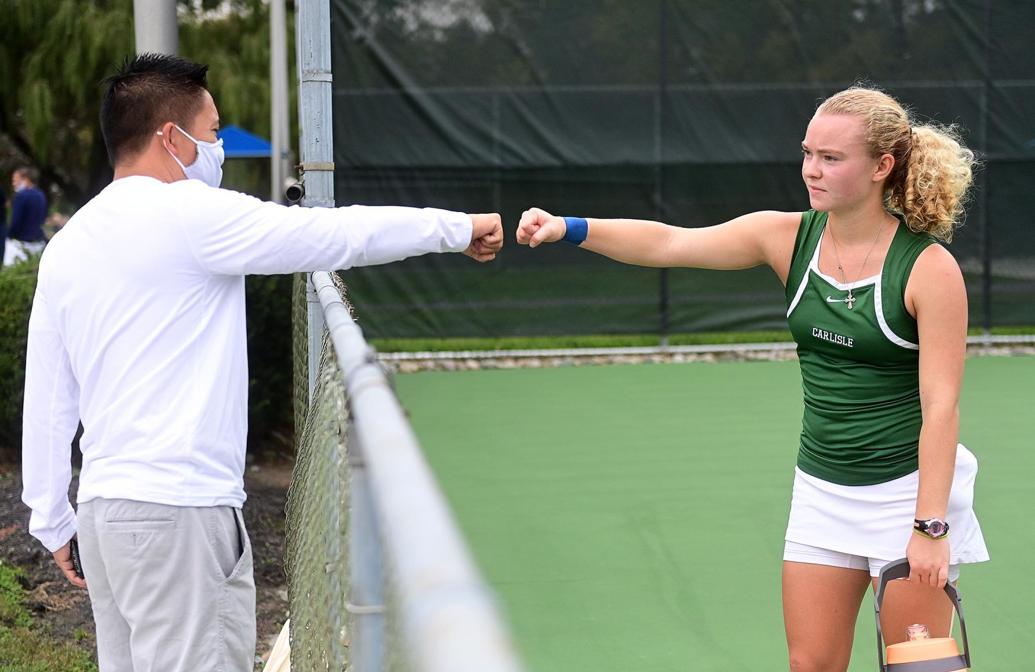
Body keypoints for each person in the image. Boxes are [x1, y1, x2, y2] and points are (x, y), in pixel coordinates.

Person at [21, 53, 503, 672]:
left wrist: (52, 516)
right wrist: (460, 228)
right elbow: (337, 236)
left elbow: (49, 391)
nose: (217, 145)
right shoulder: (193, 216)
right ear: (172, 138)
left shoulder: (69, 244)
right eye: (213, 131)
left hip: (106, 513)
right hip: (181, 514)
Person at [515, 85, 988, 672]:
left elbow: (942, 407)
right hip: (823, 491)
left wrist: (930, 526)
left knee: (920, 667)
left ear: (882, 167)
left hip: (907, 495)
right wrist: (570, 227)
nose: (811, 170)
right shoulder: (786, 237)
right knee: (810, 665)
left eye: (832, 158)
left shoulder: (928, 268)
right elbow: (671, 242)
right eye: (808, 153)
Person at [4, 166, 48, 266]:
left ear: (26, 179)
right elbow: (43, 218)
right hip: (37, 242)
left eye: (15, 180)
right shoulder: (41, 195)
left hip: (19, 244)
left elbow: (16, 221)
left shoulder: (21, 196)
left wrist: (9, 235)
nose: (13, 184)